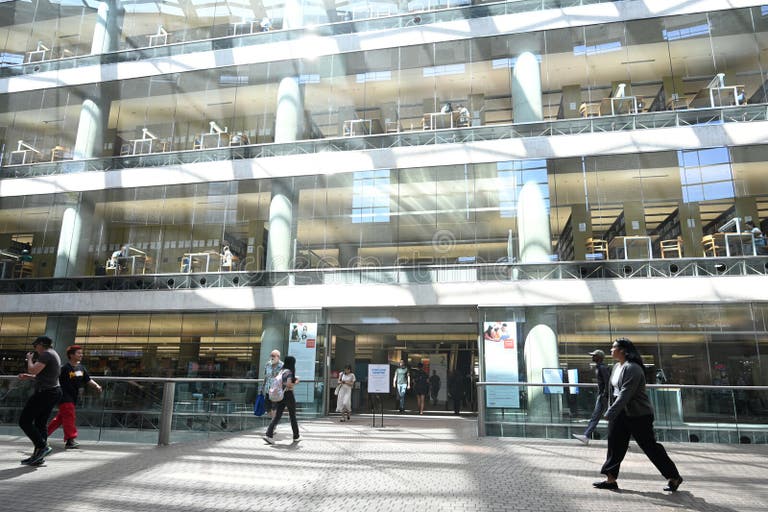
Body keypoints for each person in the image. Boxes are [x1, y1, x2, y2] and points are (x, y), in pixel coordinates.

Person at [593, 337, 683, 492]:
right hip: (620, 413)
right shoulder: (616, 367)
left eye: (613, 347)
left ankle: (674, 476)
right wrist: (612, 410)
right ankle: (610, 479)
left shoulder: (633, 368)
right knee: (615, 445)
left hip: (638, 415)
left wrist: (610, 412)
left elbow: (625, 394)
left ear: (623, 350)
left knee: (649, 447)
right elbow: (612, 392)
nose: (611, 350)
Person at [17, 336, 62, 465]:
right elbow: (46, 375)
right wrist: (30, 377)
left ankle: (43, 446)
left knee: (24, 421)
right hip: (52, 392)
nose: (35, 349)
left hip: (45, 393)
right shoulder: (53, 354)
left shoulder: (46, 354)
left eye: (35, 346)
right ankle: (38, 456)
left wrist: (29, 359)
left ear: (41, 344)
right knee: (40, 424)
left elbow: (33, 369)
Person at [47, 345, 102, 449]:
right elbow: (53, 378)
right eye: (78, 353)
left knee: (60, 418)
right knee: (69, 417)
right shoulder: (64, 368)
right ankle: (70, 440)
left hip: (73, 397)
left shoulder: (81, 368)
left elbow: (88, 380)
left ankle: (42, 435)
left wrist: (97, 386)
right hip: (64, 396)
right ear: (71, 355)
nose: (81, 355)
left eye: (81, 353)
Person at [573, 349, 610, 445]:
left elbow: (607, 382)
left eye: (594, 355)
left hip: (604, 396)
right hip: (602, 396)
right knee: (597, 416)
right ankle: (586, 435)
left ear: (599, 357)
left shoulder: (602, 368)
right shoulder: (599, 367)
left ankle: (586, 436)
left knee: (607, 417)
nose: (592, 357)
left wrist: (604, 395)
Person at [263, 355, 300, 444]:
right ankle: (296, 436)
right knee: (292, 416)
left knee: (278, 415)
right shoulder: (289, 372)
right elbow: (289, 384)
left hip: (281, 395)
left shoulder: (282, 371)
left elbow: (283, 382)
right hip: (288, 395)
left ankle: (269, 434)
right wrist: (297, 381)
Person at [261, 350, 284, 418]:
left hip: (276, 391)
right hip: (268, 390)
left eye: (273, 356)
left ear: (278, 357)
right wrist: (262, 387)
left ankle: (273, 424)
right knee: (267, 408)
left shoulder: (282, 365)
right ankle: (272, 422)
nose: (271, 357)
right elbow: (266, 377)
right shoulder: (268, 364)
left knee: (275, 408)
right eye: (271, 356)